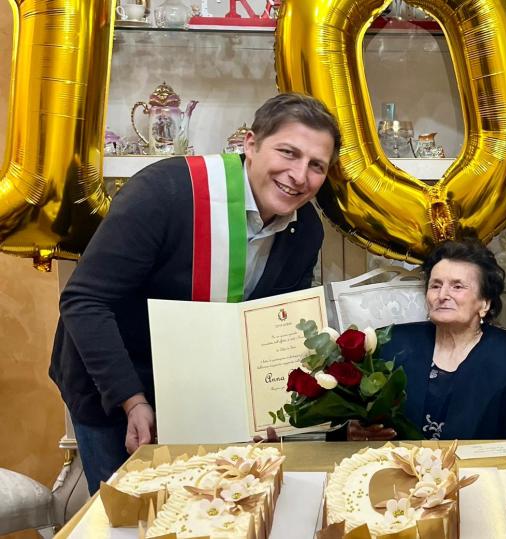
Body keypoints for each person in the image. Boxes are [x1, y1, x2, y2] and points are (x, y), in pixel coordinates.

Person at [49, 92, 341, 494]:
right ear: (251, 145)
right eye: (287, 153)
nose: (299, 175)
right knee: (132, 516)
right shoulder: (164, 192)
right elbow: (84, 301)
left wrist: (271, 409)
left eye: (316, 166)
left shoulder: (305, 230)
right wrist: (132, 400)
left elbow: (272, 327)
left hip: (203, 391)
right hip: (113, 384)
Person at [352, 239, 506, 441]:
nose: (442, 295)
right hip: (397, 469)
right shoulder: (391, 342)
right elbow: (349, 417)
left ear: (484, 302)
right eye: (435, 285)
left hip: (479, 470)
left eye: (457, 286)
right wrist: (352, 430)